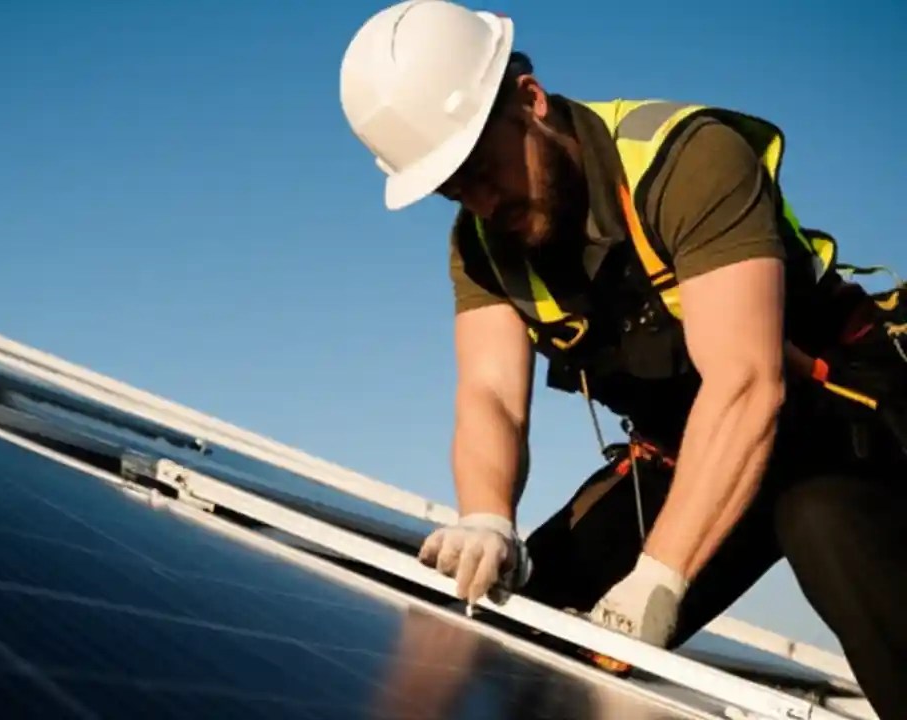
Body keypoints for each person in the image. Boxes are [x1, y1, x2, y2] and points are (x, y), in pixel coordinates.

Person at [337, 1, 907, 717]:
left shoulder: (685, 162)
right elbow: (491, 396)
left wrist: (657, 579)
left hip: (833, 425)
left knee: (832, 531)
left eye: (482, 169)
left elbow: (747, 384)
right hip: (683, 456)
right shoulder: (482, 246)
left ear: (531, 101)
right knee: (520, 640)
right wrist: (486, 518)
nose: (481, 202)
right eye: (454, 189)